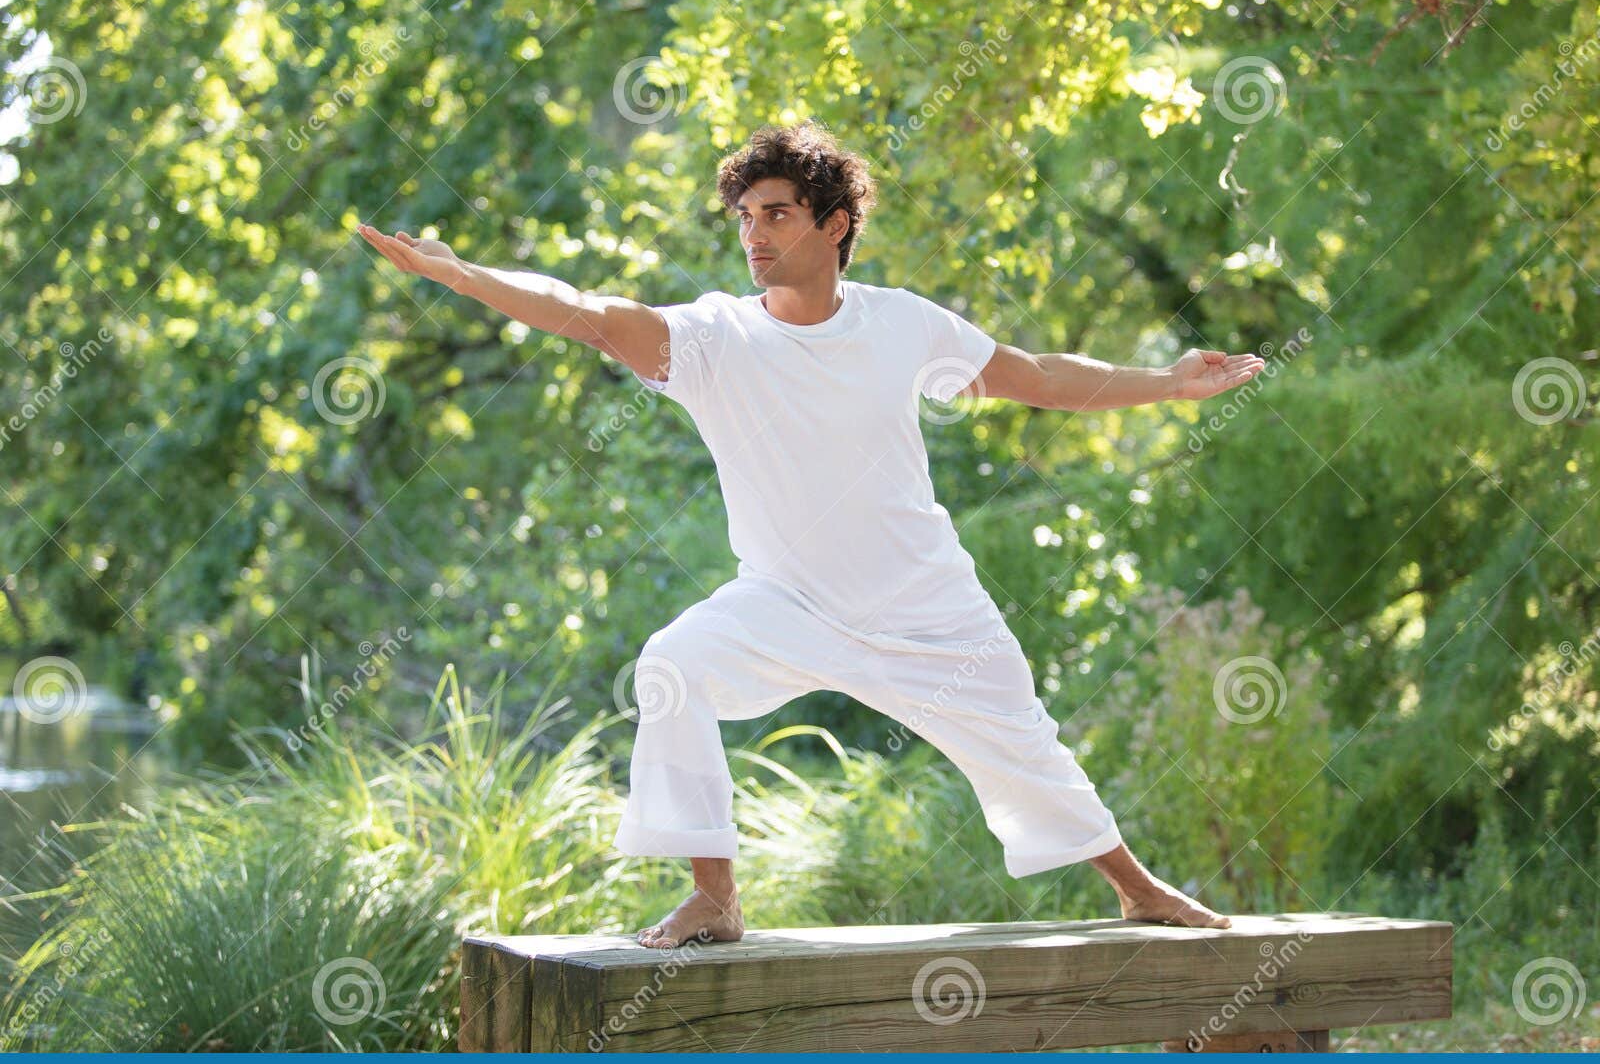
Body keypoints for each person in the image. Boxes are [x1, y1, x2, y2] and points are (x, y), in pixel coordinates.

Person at [358, 119, 1264, 950]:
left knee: (1026, 745)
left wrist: (1168, 381)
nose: (755, 234)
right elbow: (586, 311)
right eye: (746, 216)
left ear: (833, 225)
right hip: (786, 602)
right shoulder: (709, 338)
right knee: (675, 665)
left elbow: (1036, 376)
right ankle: (715, 895)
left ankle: (1136, 889)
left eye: (778, 214)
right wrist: (461, 274)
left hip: (926, 601)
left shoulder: (901, 322)